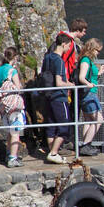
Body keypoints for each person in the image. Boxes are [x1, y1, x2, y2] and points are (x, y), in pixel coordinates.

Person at [40, 33, 74, 164]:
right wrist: (70, 84)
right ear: (64, 44)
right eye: (69, 46)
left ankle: (51, 151)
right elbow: (59, 82)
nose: (69, 49)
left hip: (48, 96)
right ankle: (54, 153)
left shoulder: (47, 57)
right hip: (59, 97)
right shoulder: (59, 60)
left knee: (51, 125)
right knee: (65, 126)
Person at [0, 47, 27, 168]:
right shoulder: (12, 71)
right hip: (14, 104)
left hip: (4, 104)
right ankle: (13, 158)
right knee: (16, 130)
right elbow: (18, 87)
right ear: (15, 58)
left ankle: (9, 154)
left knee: (10, 130)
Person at [76, 38, 104, 156]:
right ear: (92, 49)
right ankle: (86, 144)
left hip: (90, 92)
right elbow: (81, 77)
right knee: (99, 119)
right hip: (89, 93)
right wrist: (89, 84)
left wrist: (98, 74)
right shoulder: (85, 60)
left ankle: (85, 145)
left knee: (88, 120)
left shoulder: (88, 60)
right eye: (97, 51)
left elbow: (89, 76)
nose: (98, 53)